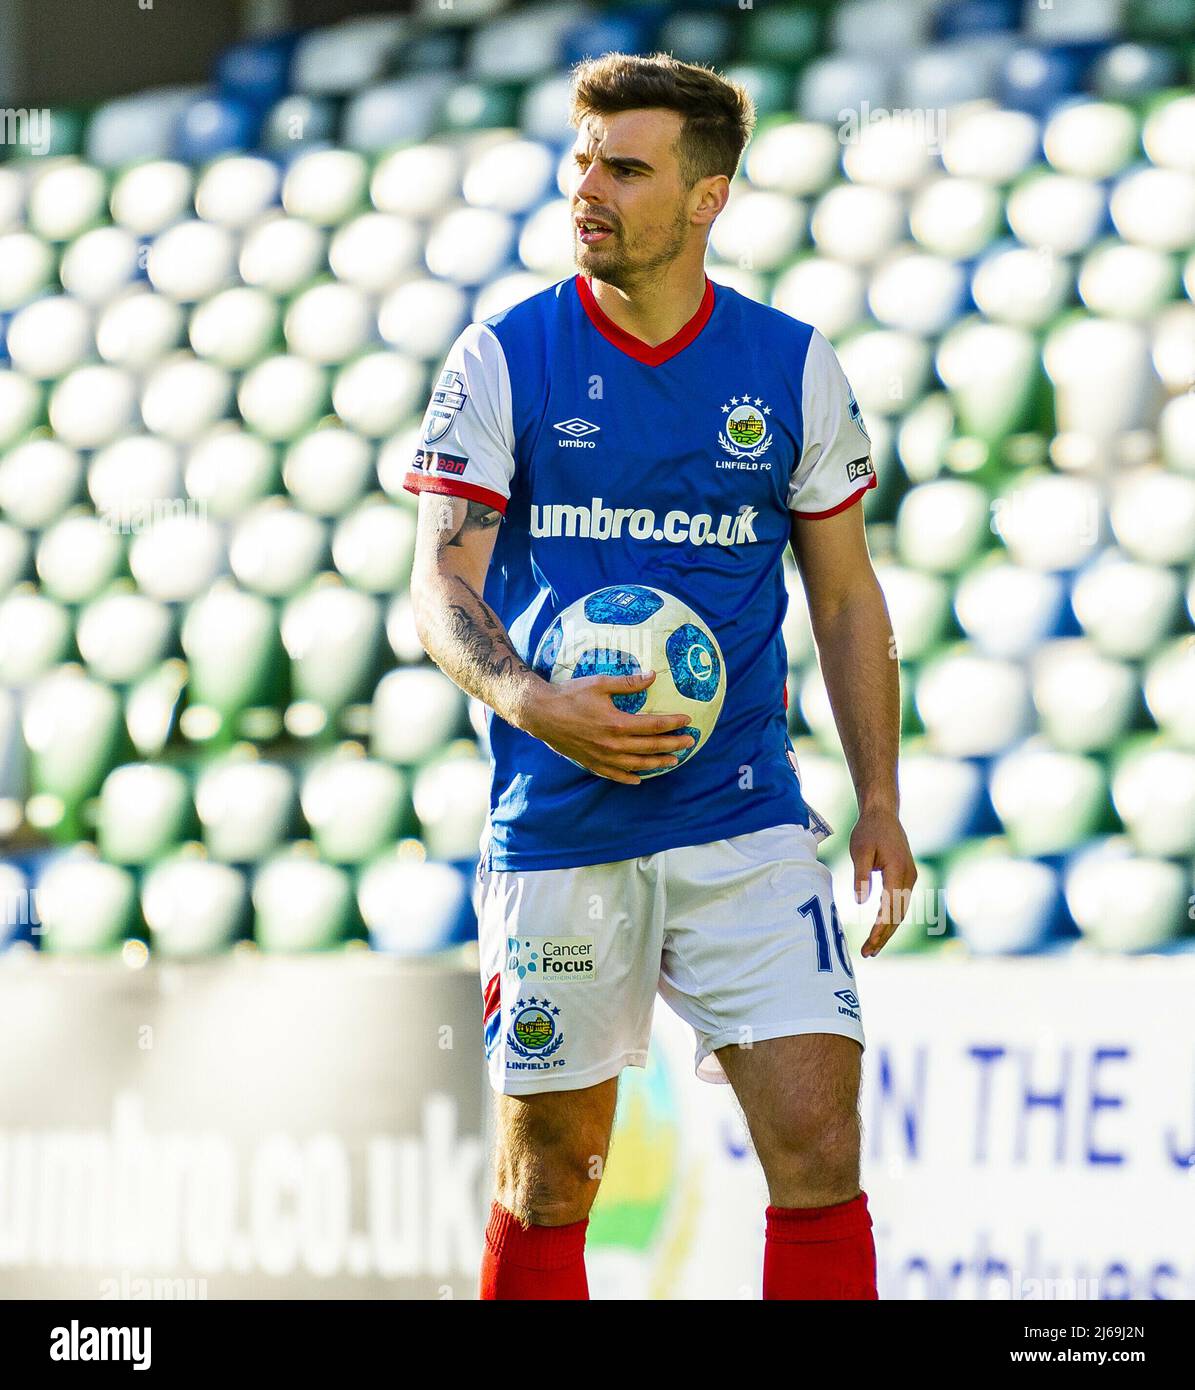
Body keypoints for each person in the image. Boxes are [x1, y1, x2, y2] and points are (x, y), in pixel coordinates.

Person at [407, 51, 917, 1301]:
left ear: (707, 198)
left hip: (742, 818)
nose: (589, 189)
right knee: (554, 1173)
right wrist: (534, 701)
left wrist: (882, 803)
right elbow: (439, 587)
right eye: (581, 161)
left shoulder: (788, 367)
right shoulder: (502, 357)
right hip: (561, 825)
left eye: (625, 168)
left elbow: (845, 597)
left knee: (818, 1141)